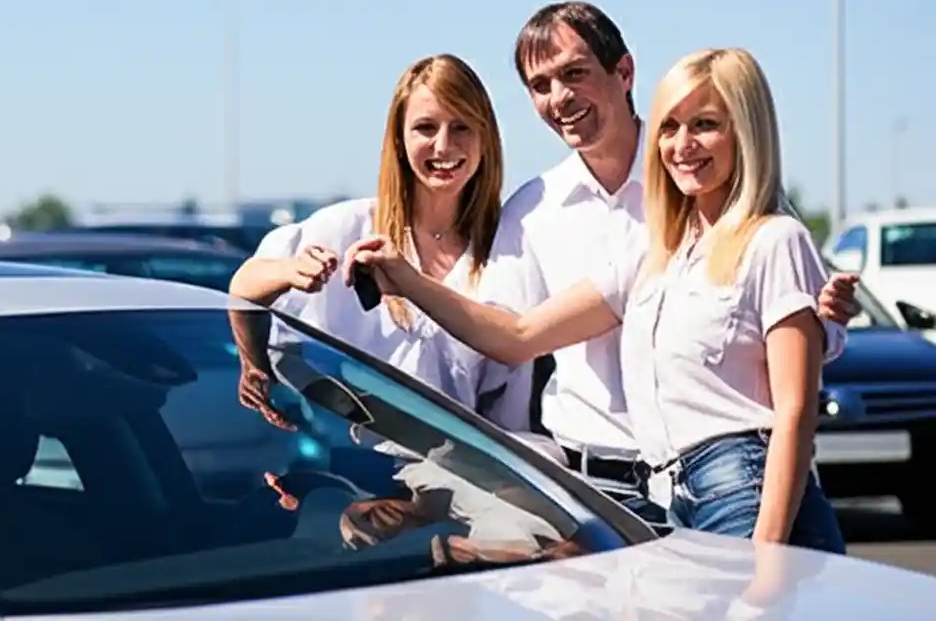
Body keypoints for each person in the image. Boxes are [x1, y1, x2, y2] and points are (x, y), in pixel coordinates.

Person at [343, 46, 847, 552]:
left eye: (706, 125)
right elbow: (518, 337)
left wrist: (766, 552)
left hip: (745, 491)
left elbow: (796, 411)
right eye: (669, 128)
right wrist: (407, 279)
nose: (682, 144)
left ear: (746, 131)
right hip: (673, 499)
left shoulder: (775, 239)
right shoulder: (658, 253)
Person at [228, 52, 542, 445]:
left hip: (459, 487)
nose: (443, 146)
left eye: (461, 127)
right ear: (399, 138)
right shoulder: (346, 227)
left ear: (486, 140)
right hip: (355, 480)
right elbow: (244, 286)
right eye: (425, 128)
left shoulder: (505, 249)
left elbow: (507, 408)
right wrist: (255, 354)